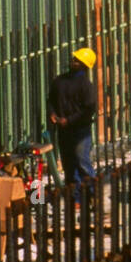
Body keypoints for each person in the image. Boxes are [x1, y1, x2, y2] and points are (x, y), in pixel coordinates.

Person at [48, 47, 98, 203]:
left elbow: (89, 109)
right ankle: (75, 198)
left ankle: (92, 195)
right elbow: (50, 100)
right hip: (64, 131)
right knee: (69, 165)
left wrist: (69, 120)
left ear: (84, 65)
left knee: (82, 162)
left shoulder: (85, 85)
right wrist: (53, 114)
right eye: (73, 59)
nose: (73, 61)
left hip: (80, 131)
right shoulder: (59, 81)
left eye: (77, 61)